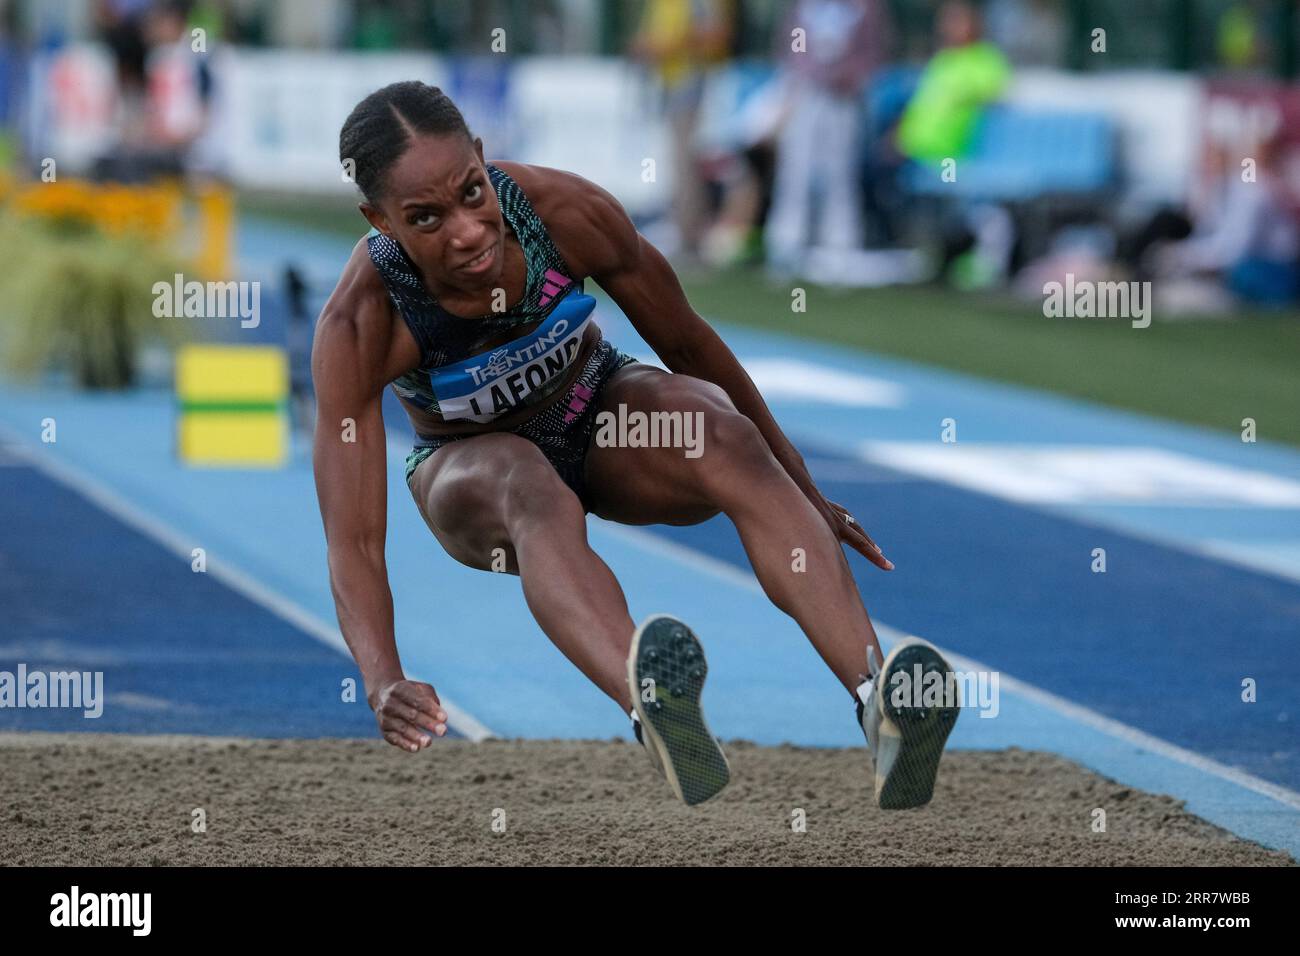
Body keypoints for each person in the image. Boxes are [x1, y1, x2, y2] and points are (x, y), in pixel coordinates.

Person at [314, 81, 960, 807]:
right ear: (379, 221)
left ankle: (880, 701)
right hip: (470, 473)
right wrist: (383, 678)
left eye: (471, 193)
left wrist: (803, 488)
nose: (465, 232)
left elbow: (687, 342)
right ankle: (650, 700)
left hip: (599, 414)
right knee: (525, 480)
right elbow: (354, 539)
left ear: (484, 159)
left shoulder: (563, 214)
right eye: (425, 219)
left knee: (717, 427)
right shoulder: (362, 320)